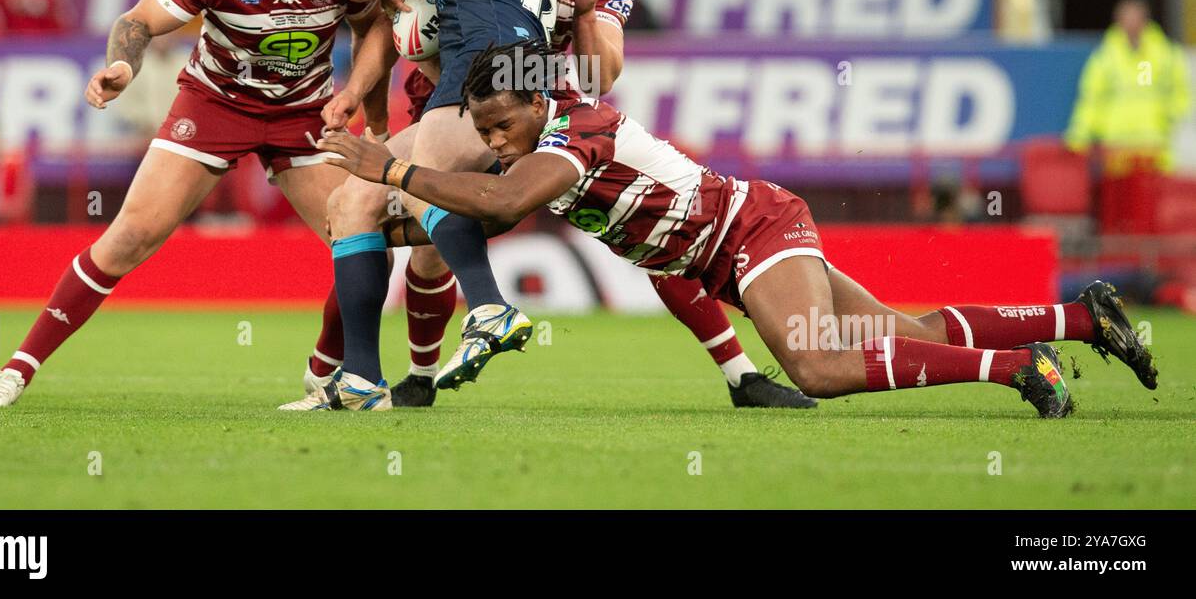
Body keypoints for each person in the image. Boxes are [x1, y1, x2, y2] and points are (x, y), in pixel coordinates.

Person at [319, 40, 1160, 417]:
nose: (494, 144)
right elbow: (470, 210)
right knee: (900, 332)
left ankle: (1018, 369)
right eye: (487, 131)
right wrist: (369, 227)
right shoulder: (536, 141)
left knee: (820, 368)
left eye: (500, 127)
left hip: (751, 231)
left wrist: (388, 171)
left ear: (535, 102)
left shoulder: (574, 135)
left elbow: (496, 206)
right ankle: (1087, 318)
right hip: (738, 248)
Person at [286, 0, 804, 412]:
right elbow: (384, 7)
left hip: (546, 104)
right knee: (390, 225)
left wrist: (580, 17)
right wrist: (382, 62)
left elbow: (600, 76)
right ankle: (413, 378)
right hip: (452, 93)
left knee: (649, 223)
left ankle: (739, 374)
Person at [0, 0, 395, 408]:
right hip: (215, 105)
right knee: (129, 238)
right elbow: (136, 23)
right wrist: (123, 68)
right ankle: (18, 369)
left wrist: (359, 96)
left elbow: (374, 29)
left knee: (368, 248)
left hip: (304, 113)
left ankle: (324, 369)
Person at [308, 0, 556, 411]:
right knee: (354, 201)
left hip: (481, 73)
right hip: (530, 82)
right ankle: (361, 381)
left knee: (418, 184)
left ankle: (490, 305)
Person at [1065, 0, 1191, 175]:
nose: (1132, 25)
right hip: (1117, 146)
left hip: (1153, 145)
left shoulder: (1165, 55)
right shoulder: (1105, 58)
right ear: (1118, 22)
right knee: (1119, 199)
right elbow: (1091, 99)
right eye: (1127, 19)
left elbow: (1181, 91)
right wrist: (1078, 136)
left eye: (1136, 18)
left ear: (1145, 20)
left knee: (1152, 198)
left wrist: (1169, 116)